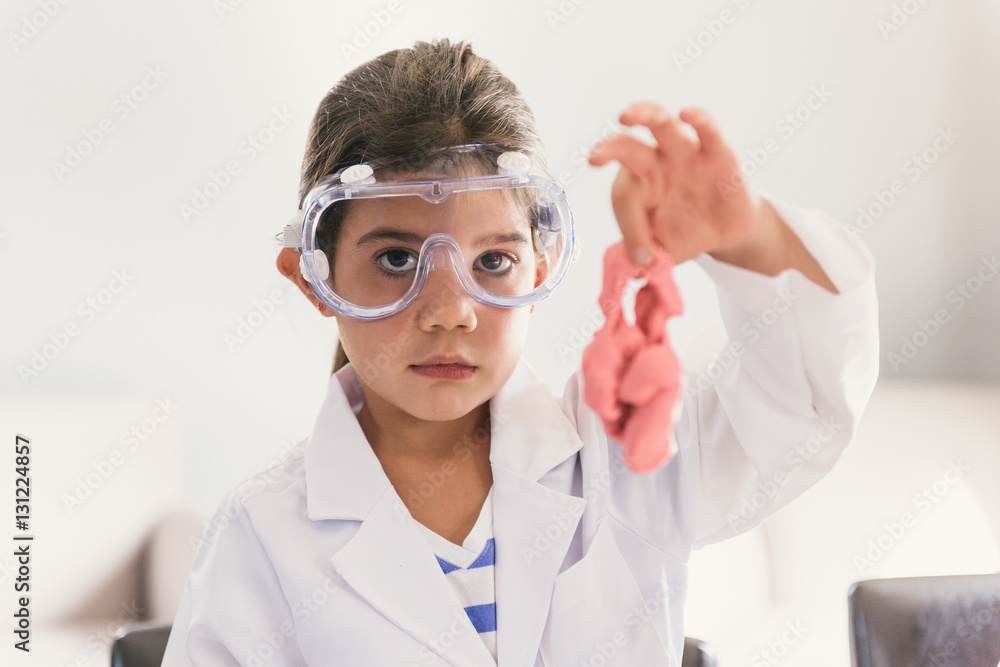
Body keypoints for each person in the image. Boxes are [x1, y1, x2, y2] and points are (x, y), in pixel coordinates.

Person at [160, 38, 879, 666]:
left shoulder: (625, 454)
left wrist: (749, 236)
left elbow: (806, 401)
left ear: (540, 268)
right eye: (396, 259)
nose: (450, 310)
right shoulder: (260, 538)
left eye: (493, 261)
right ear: (314, 278)